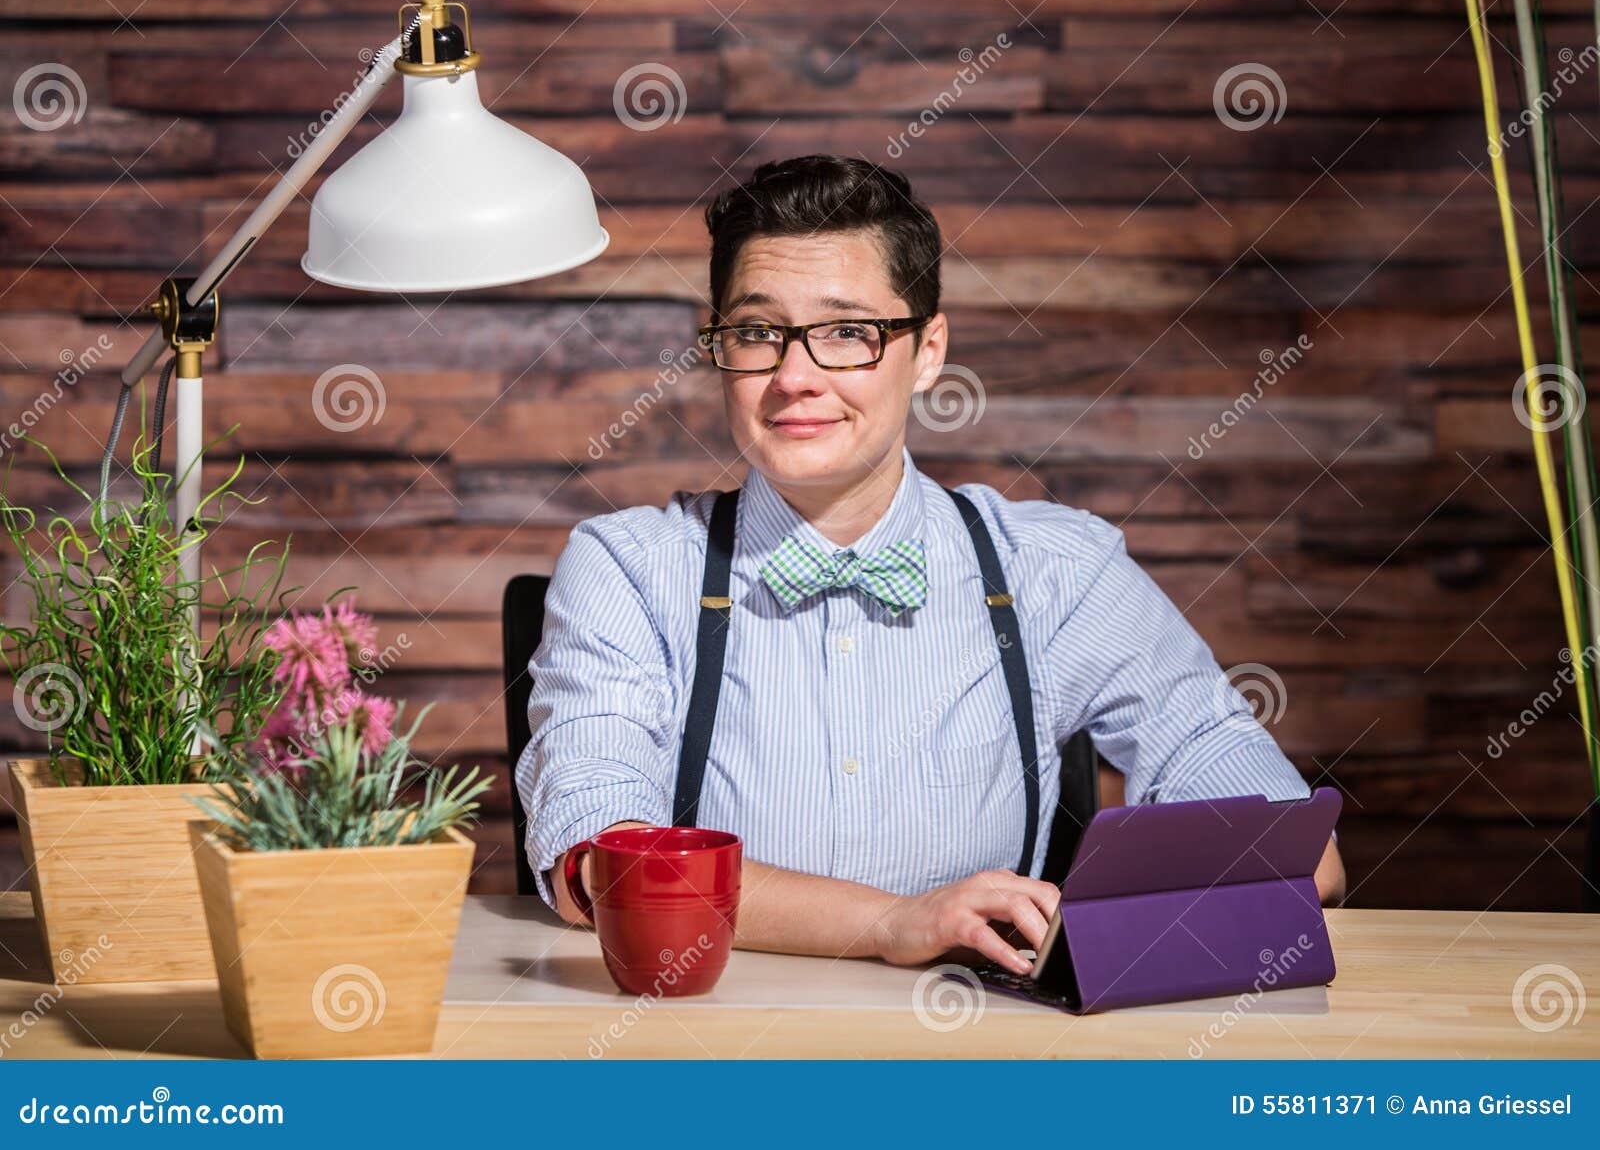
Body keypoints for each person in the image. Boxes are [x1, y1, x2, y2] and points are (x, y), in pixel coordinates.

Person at [516, 153, 1346, 976]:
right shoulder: (626, 568)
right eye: (758, 332)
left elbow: (1295, 854)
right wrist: (889, 921)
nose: (794, 377)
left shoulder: (1059, 569)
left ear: (928, 351)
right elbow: (610, 866)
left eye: (847, 333)